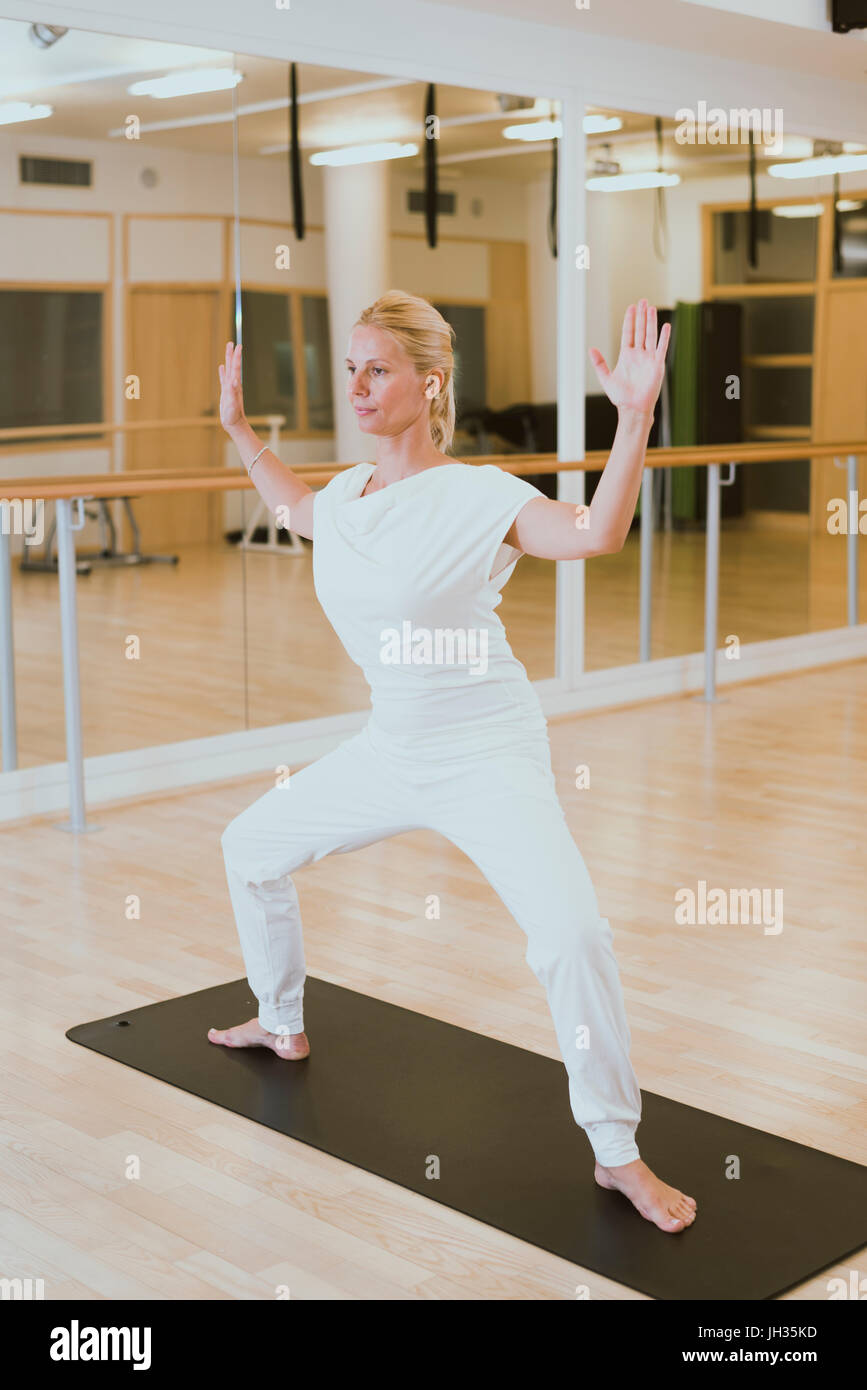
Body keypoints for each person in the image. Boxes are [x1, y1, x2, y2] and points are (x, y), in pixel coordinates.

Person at [210, 290, 696, 1234]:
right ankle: (281, 1022)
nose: (355, 384)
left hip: (486, 750)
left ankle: (615, 1150)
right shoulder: (350, 495)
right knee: (248, 847)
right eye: (349, 366)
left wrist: (632, 416)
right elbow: (296, 507)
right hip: (392, 747)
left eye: (377, 368)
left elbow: (595, 533)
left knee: (571, 936)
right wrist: (236, 428)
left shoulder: (482, 495)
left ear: (428, 385)